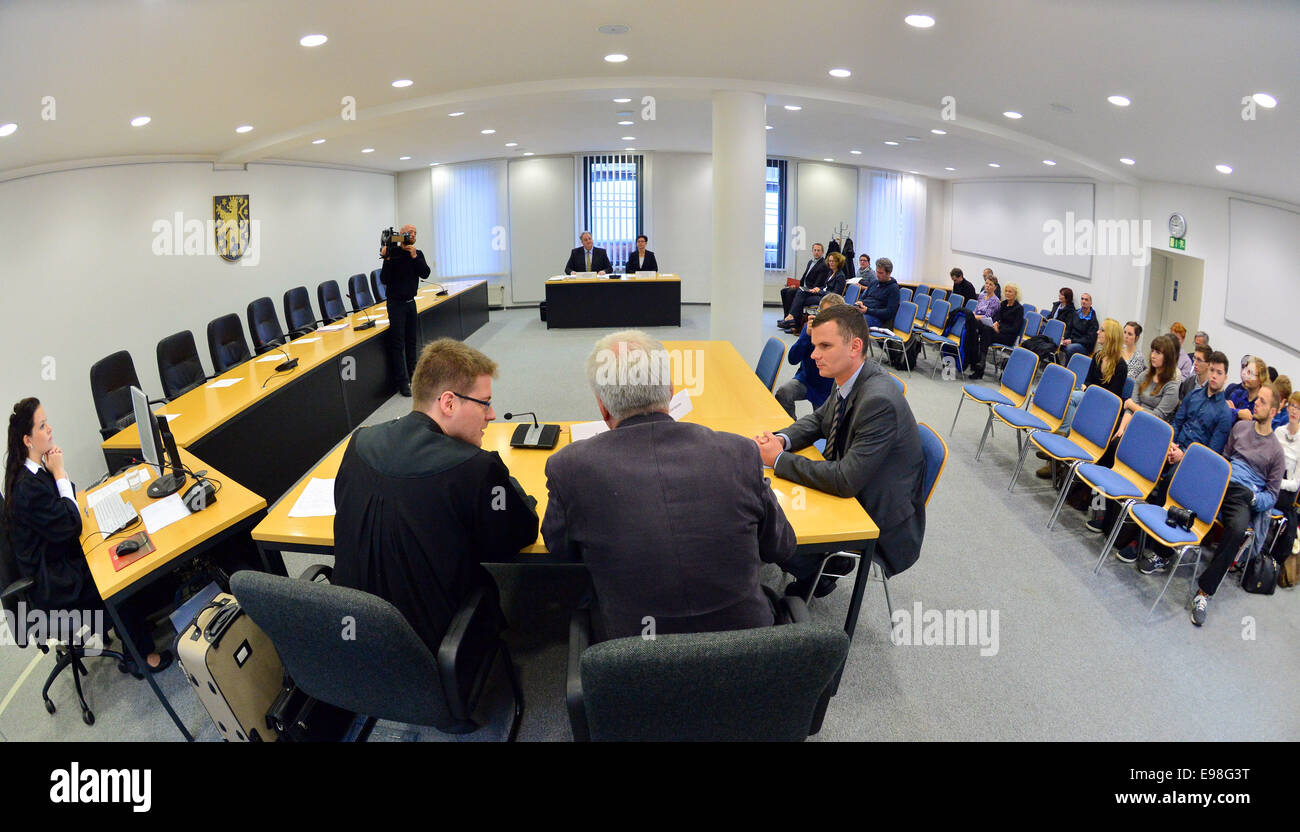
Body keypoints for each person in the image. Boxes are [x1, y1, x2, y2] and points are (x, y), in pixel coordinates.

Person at [542, 331, 795, 641]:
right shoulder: (740, 453)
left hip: (633, 661)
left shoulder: (568, 467)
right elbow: (780, 546)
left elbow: (562, 557)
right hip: (748, 655)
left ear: (602, 407)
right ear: (671, 391)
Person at [331, 339, 539, 653]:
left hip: (352, 637)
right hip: (430, 648)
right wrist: (508, 481)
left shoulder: (361, 441)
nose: (492, 414)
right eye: (485, 402)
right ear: (449, 403)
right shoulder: (476, 467)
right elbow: (519, 535)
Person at [753, 304, 926, 599]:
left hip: (876, 515)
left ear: (855, 346)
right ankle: (816, 568)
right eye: (815, 344)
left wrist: (778, 460)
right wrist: (782, 440)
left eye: (825, 346)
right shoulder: (851, 375)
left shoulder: (878, 401)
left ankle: (824, 566)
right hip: (859, 482)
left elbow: (845, 481)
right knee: (767, 506)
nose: (813, 354)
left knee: (765, 525)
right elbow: (820, 419)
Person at [4, 398, 172, 674]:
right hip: (54, 581)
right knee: (115, 576)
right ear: (28, 439)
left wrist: (55, 473)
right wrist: (58, 471)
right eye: (43, 426)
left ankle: (136, 624)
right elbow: (70, 523)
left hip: (58, 557)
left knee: (116, 548)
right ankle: (140, 656)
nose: (50, 430)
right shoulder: (27, 489)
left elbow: (67, 500)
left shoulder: (32, 471)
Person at [1105, 350, 1235, 564]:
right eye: (1212, 370)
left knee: (1169, 484)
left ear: (1225, 378)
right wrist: (1171, 444)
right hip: (1174, 447)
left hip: (1194, 461)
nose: (1214, 375)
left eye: (1219, 372)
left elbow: (1212, 451)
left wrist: (1184, 455)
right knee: (1144, 464)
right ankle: (1121, 524)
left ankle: (1143, 543)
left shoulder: (1223, 413)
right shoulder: (1193, 395)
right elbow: (1176, 422)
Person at [1190, 383, 1286, 627]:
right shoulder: (1241, 427)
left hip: (1244, 494)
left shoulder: (1276, 452)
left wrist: (1254, 499)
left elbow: (1272, 495)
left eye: (1263, 402)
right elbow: (1225, 456)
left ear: (1274, 412)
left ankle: (1204, 593)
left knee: (1236, 530)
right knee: (1187, 493)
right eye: (1258, 399)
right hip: (1224, 479)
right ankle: (1165, 552)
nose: (1256, 403)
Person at [1036, 318, 1128, 478]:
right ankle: (1057, 451)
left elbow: (1114, 396)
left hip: (1104, 407)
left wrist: (1090, 391)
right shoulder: (1099, 356)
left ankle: (1058, 446)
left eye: (1102, 330)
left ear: (1111, 336)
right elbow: (1088, 380)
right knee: (1069, 397)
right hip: (1089, 396)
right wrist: (1086, 386)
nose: (1098, 332)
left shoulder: (1120, 365)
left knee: (1072, 399)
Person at [378, 223, 431, 397]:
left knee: (411, 342)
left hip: (410, 303)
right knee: (398, 344)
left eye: (415, 233)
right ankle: (403, 382)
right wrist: (386, 259)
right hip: (395, 304)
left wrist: (415, 256)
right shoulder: (393, 254)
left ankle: (415, 378)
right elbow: (384, 279)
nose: (412, 235)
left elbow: (425, 273)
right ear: (400, 236)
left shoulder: (417, 254)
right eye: (409, 233)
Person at [774, 293, 845, 418]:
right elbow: (793, 359)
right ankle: (791, 429)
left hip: (828, 387)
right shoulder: (810, 328)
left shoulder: (843, 335)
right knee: (784, 392)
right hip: (806, 379)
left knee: (822, 424)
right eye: (823, 313)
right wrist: (806, 336)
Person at [963, 282, 1023, 380]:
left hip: (1008, 336)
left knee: (985, 334)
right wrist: (995, 324)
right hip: (995, 332)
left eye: (1010, 292)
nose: (1007, 293)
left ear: (1015, 294)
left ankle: (978, 365)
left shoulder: (1019, 308)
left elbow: (1015, 328)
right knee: (983, 331)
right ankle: (980, 364)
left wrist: (999, 329)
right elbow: (997, 319)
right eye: (1006, 291)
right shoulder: (1003, 304)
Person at [1268, 391, 1300, 565]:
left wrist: (1276, 483)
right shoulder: (1279, 431)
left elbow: (1295, 484)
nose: (1294, 411)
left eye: (1299, 408)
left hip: (1284, 490)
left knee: (1264, 500)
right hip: (1271, 479)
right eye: (1292, 406)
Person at [782, 252, 847, 331]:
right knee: (801, 291)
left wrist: (820, 291)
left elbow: (836, 294)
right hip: (822, 294)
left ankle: (794, 323)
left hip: (828, 299)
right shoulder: (831, 272)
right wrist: (817, 289)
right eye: (830, 261)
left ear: (838, 262)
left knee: (801, 300)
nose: (831, 263)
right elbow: (825, 287)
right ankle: (793, 320)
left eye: (833, 261)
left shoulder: (840, 276)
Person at [781, 243, 829, 320]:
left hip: (811, 289)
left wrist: (803, 288)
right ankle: (786, 317)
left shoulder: (823, 265)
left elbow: (818, 283)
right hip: (804, 287)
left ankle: (792, 318)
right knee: (784, 291)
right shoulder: (810, 262)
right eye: (815, 250)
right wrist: (796, 285)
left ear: (822, 252)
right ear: (812, 251)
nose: (816, 252)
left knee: (791, 292)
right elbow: (804, 277)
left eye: (818, 250)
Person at [853, 256, 901, 329]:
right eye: (877, 272)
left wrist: (868, 310)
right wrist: (860, 303)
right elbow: (863, 298)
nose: (877, 275)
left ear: (889, 273)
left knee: (856, 322)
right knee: (844, 316)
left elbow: (889, 312)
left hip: (877, 318)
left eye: (881, 273)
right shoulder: (874, 282)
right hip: (865, 312)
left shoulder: (893, 288)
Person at [1225, 355, 1269, 424]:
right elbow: (1223, 414)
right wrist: (1238, 413)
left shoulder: (1260, 403)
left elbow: (1254, 424)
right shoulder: (1236, 394)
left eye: (1251, 373)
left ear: (1261, 378)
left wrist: (1233, 411)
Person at [1059, 292, 1099, 361]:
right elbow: (1069, 328)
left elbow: (1089, 340)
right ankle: (1057, 364)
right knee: (1057, 341)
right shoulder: (1075, 313)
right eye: (1082, 299)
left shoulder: (1093, 320)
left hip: (1084, 346)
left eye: (1086, 300)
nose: (1083, 301)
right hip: (1072, 340)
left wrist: (1072, 341)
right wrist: (1064, 337)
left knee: (1070, 348)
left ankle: (1067, 368)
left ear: (1090, 303)